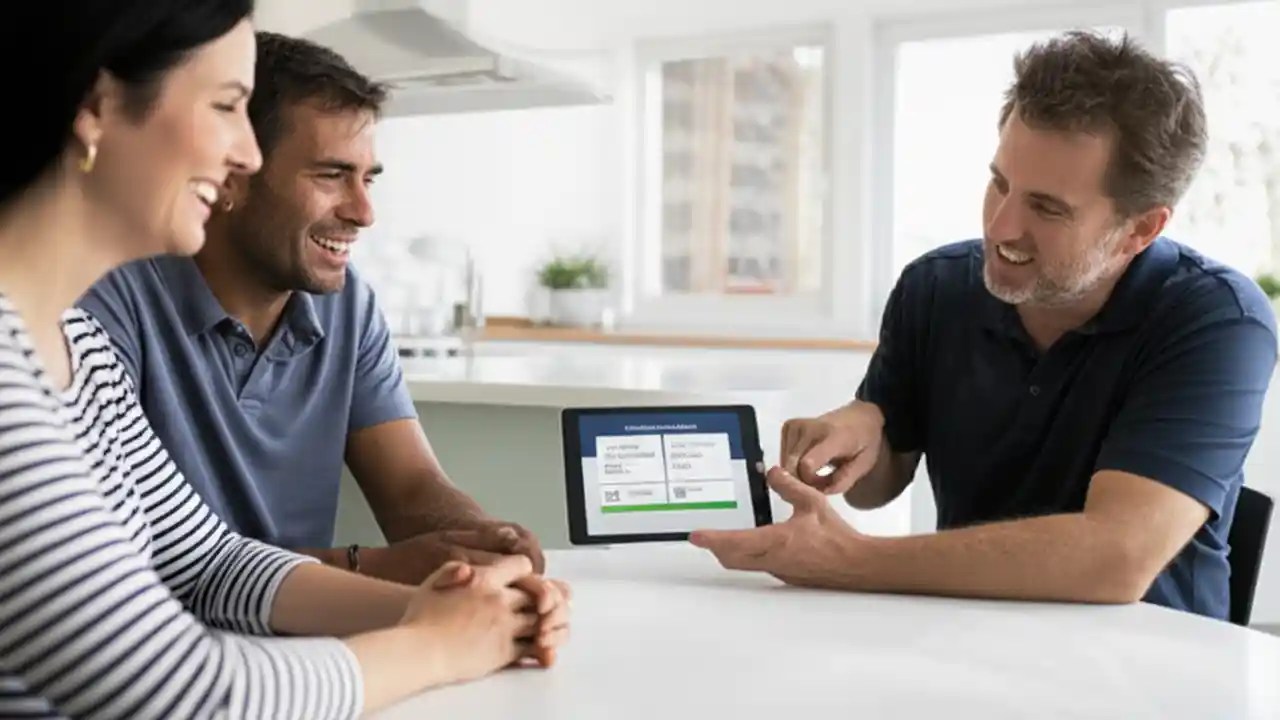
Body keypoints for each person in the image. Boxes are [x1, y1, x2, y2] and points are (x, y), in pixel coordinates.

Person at [0, 3, 569, 718]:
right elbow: (182, 695)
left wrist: (448, 609)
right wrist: (436, 645)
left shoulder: (74, 344)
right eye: (226, 106)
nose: (244, 154)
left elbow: (208, 563)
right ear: (96, 105)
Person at [691, 31, 1278, 621]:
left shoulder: (1217, 320)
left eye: (1047, 208)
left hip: (1155, 678)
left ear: (1140, 229)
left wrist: (848, 559)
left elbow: (1114, 556)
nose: (1000, 227)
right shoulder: (936, 287)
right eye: (999, 182)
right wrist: (861, 428)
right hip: (969, 647)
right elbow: (878, 486)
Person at [79, 31, 544, 584]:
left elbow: (412, 489)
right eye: (331, 175)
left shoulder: (350, 308)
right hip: (172, 644)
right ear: (234, 174)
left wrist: (481, 545)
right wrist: (368, 567)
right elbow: (121, 560)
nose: (364, 212)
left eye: (367, 178)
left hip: (310, 632)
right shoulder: (109, 300)